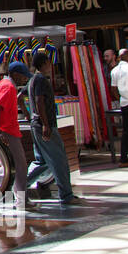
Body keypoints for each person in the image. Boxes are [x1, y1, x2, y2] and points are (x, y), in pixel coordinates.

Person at [28, 50, 77, 205]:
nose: (50, 66)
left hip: (35, 124)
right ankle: (66, 195)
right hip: (45, 125)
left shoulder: (32, 80)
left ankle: (18, 185)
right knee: (59, 160)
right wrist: (46, 124)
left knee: (41, 162)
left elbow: (21, 98)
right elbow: (39, 101)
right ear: (44, 64)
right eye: (49, 63)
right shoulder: (41, 79)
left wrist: (31, 117)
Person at [0, 61, 30, 209]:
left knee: (13, 164)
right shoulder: (8, 87)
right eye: (22, 76)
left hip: (7, 129)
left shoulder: (3, 84)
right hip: (8, 130)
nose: (24, 79)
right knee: (20, 166)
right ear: (15, 74)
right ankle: (21, 200)